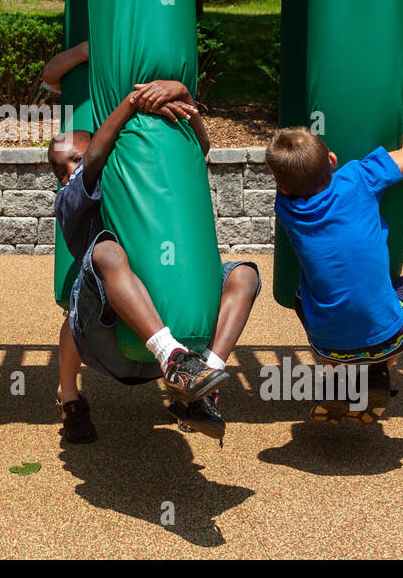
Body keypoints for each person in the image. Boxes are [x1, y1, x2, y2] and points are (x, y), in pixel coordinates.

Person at [48, 78, 260, 446]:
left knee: (244, 275)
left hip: (166, 321)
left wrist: (185, 98)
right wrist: (133, 100)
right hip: (105, 335)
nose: (69, 171)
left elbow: (200, 148)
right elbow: (95, 158)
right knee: (103, 254)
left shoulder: (135, 176)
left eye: (74, 159)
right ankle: (71, 398)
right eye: (59, 169)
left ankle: (202, 381)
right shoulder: (70, 199)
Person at [266, 122, 403, 424]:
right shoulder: (358, 178)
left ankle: (338, 382)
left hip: (329, 347)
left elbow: (291, 186)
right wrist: (401, 121)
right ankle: (378, 374)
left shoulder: (286, 209)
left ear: (284, 188)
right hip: (389, 339)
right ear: (331, 160)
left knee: (305, 296)